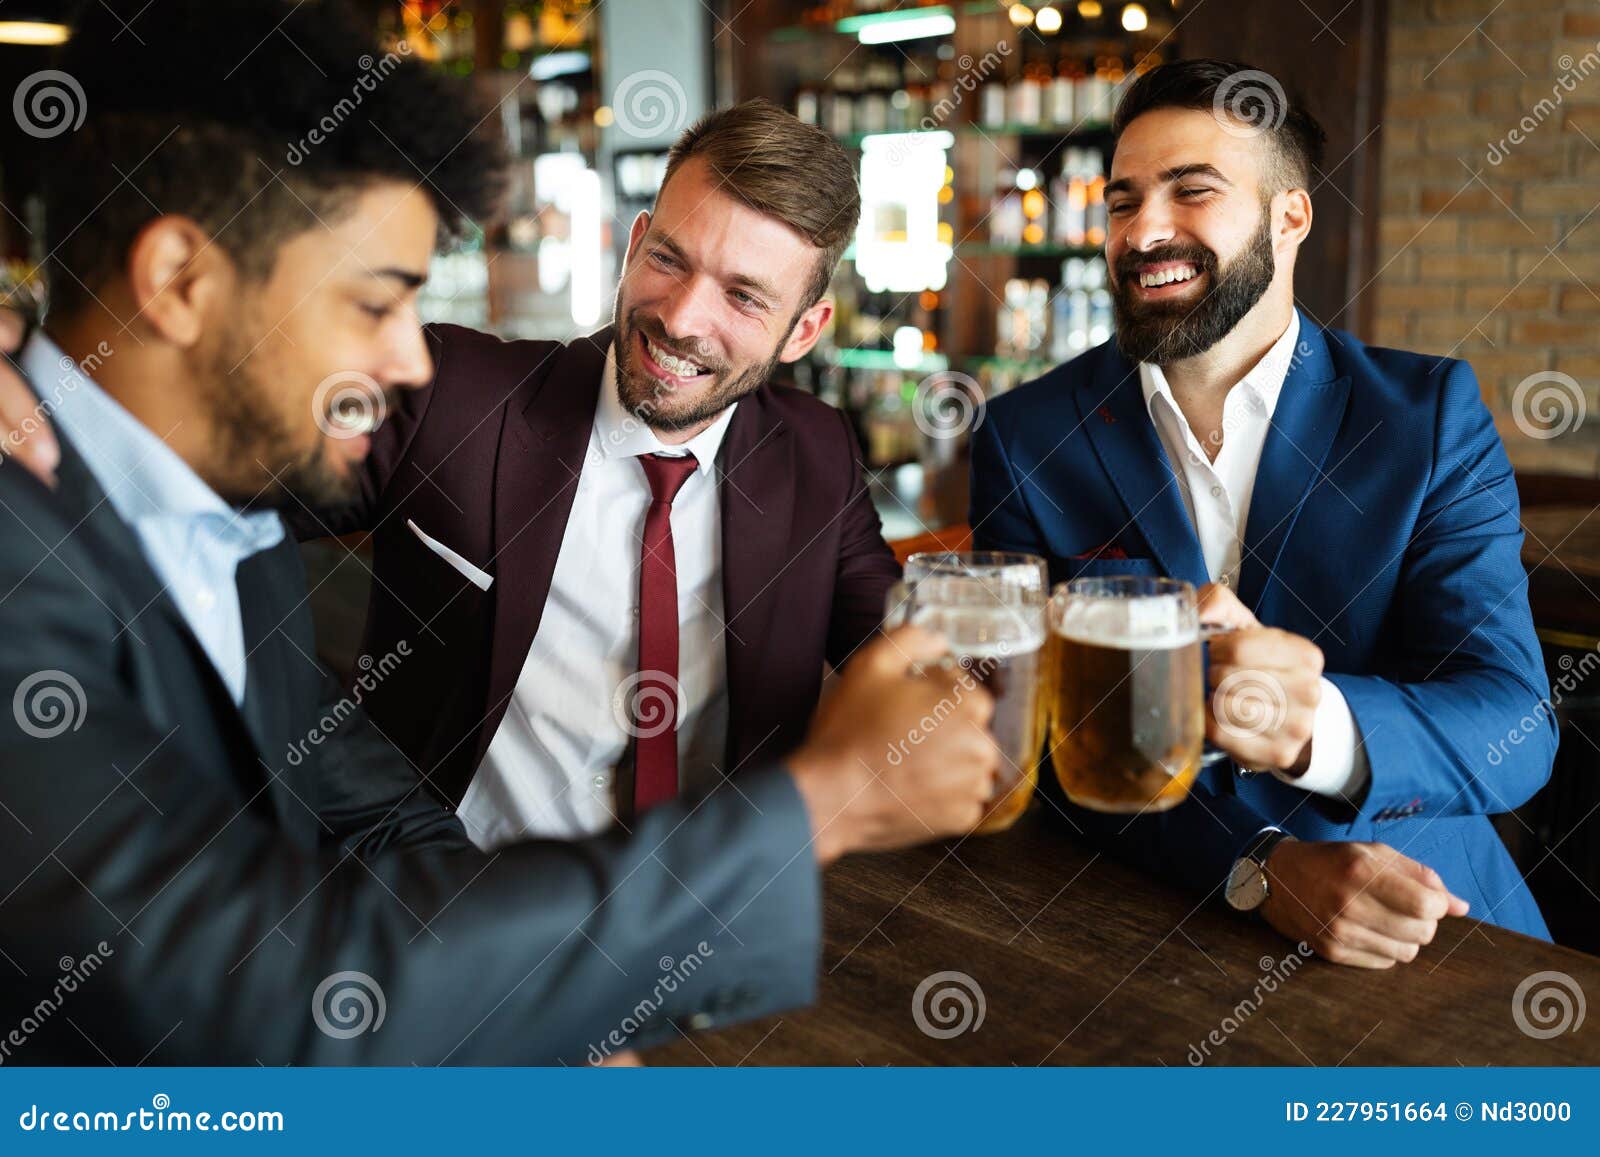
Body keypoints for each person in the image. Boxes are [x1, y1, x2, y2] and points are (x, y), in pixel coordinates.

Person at [0, 0, 999, 1065]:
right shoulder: (81, 543)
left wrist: (535, 979)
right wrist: (827, 801)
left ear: (804, 328)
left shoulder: (213, 535)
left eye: (745, 295)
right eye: (373, 302)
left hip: (635, 960)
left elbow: (340, 778)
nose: (683, 315)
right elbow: (256, 985)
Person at [970, 59, 1554, 967]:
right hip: (1140, 917)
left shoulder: (1426, 418)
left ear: (1291, 216)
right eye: (1122, 202)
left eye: (1191, 191)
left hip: (1429, 924)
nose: (1142, 232)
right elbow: (1033, 747)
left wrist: (1316, 728)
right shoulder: (1026, 435)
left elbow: (1513, 724)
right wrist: (1257, 868)